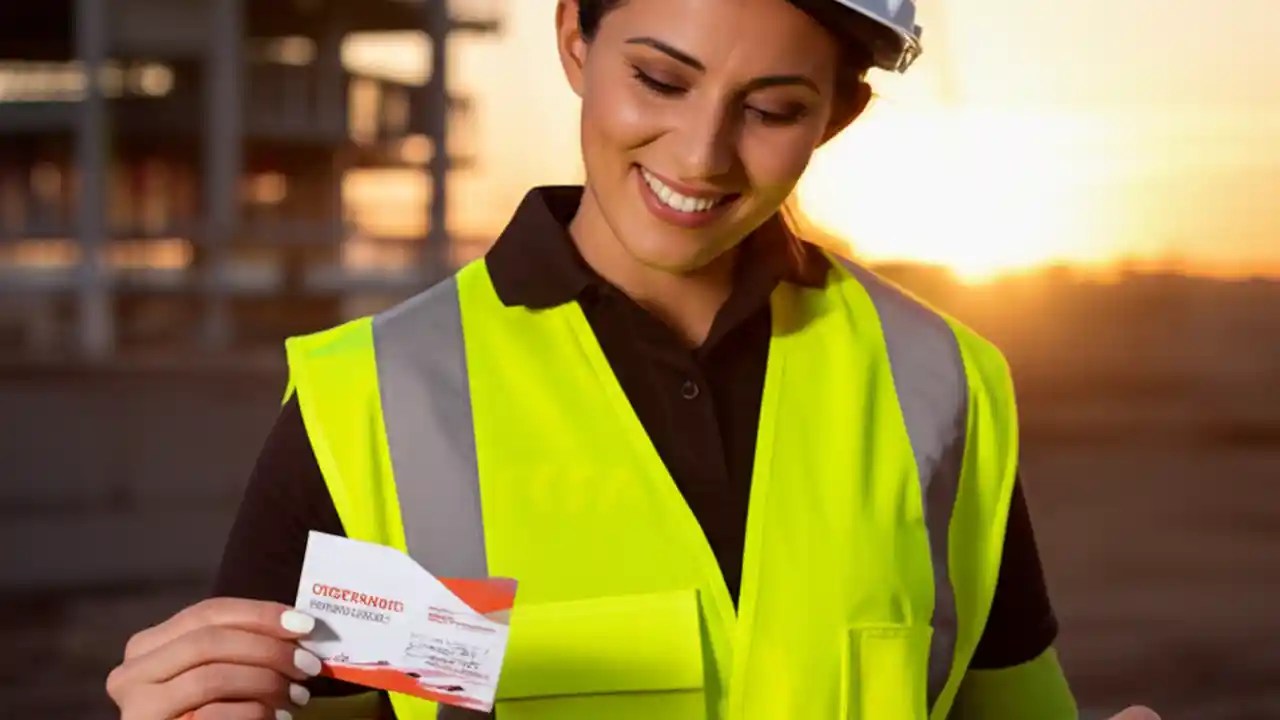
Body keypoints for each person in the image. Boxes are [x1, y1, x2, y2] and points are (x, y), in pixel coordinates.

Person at [106, 0, 1162, 718]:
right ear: (573, 38)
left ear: (833, 117)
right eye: (658, 78)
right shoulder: (373, 400)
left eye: (772, 108)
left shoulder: (936, 383)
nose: (699, 156)